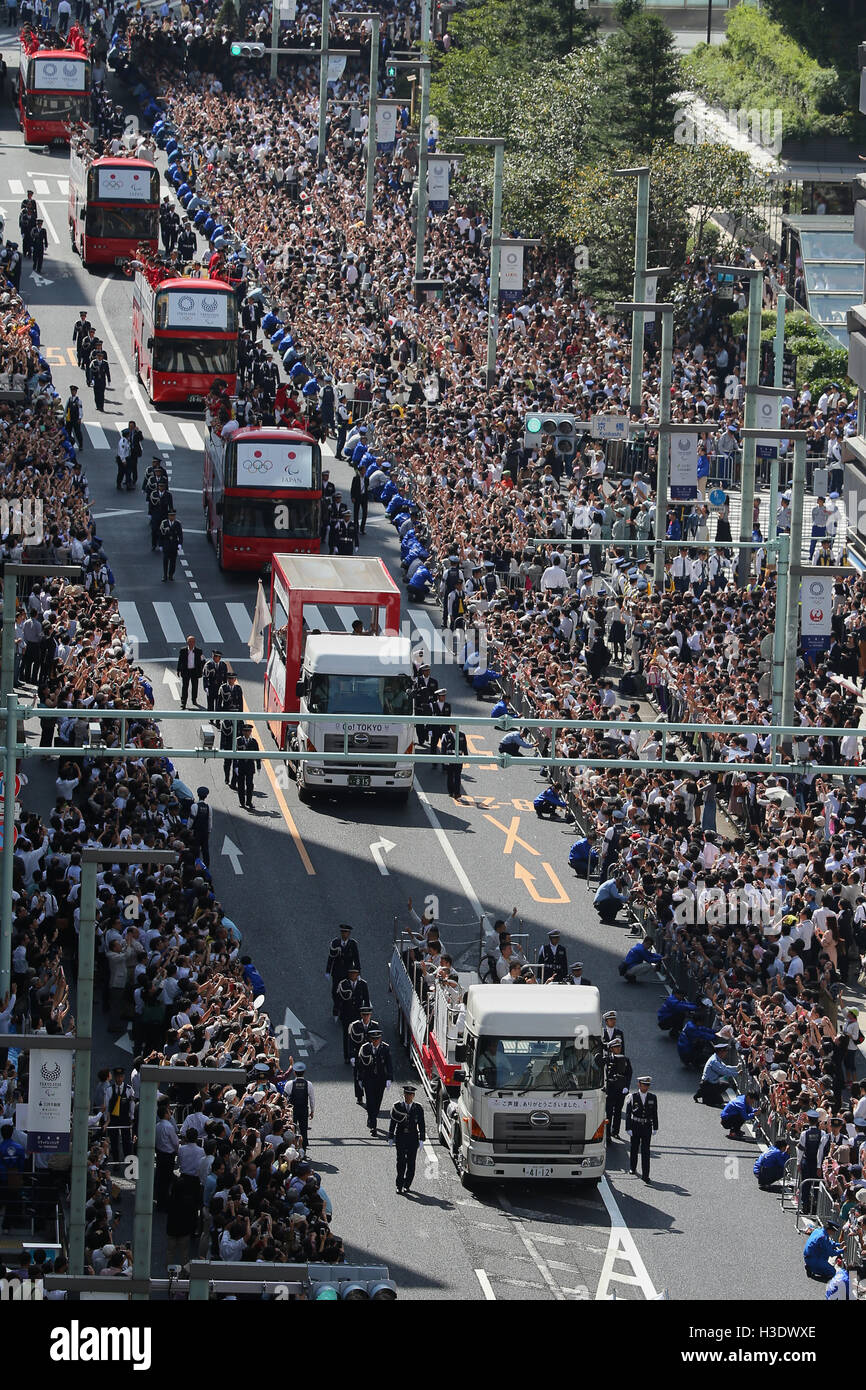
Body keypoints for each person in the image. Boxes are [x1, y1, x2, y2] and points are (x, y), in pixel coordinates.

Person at [388, 1083, 426, 1194]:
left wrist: (421, 1139)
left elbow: (422, 1124)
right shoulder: (398, 1106)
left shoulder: (418, 1108)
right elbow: (393, 1121)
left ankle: (407, 1184)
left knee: (411, 1163)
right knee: (400, 1162)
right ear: (404, 1095)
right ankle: (399, 1185)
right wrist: (391, 1136)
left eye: (411, 1095)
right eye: (407, 1094)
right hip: (401, 1137)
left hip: (412, 1138)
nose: (408, 1097)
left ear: (413, 1096)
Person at [356, 1027, 393, 1135]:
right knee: (370, 1102)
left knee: (377, 1103)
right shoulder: (365, 1048)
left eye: (378, 1039)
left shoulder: (385, 1048)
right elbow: (360, 1065)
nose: (376, 1041)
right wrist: (359, 1078)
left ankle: (371, 1117)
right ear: (371, 1039)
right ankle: (373, 1126)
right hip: (369, 1080)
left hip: (380, 1080)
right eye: (374, 1039)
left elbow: (389, 1064)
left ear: (380, 1038)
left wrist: (389, 1078)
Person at [625, 1075, 658, 1182]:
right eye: (644, 1085)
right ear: (639, 1085)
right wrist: (628, 1128)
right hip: (635, 1125)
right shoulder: (632, 1097)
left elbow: (654, 1113)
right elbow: (628, 1113)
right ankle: (632, 1168)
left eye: (647, 1085)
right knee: (634, 1148)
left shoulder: (653, 1097)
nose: (646, 1087)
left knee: (645, 1151)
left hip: (647, 1126)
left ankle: (645, 1175)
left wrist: (655, 1127)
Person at [797, 1110, 830, 1216]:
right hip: (817, 1164)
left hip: (806, 1162)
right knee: (817, 1185)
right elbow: (821, 1151)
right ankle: (816, 1207)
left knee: (805, 1184)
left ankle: (805, 1206)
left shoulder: (804, 1133)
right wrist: (819, 1166)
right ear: (817, 1121)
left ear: (808, 1120)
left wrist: (798, 1163)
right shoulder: (823, 1134)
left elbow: (801, 1149)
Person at [336, 966, 371, 1063]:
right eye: (351, 973)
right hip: (346, 1014)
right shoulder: (343, 984)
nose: (353, 975)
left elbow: (366, 1000)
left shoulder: (363, 984)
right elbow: (339, 1000)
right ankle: (347, 1056)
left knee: (359, 1035)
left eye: (355, 973)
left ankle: (358, 1055)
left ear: (358, 974)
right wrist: (338, 1012)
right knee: (346, 1035)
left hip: (358, 1015)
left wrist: (367, 1014)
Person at [325, 923, 360, 1017]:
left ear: (349, 934)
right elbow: (331, 958)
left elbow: (356, 959)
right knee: (335, 991)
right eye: (343, 932)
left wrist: (358, 972)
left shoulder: (353, 944)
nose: (344, 934)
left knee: (348, 991)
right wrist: (328, 971)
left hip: (348, 972)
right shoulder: (335, 943)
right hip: (337, 972)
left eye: (346, 932)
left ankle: (346, 1010)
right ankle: (336, 1009)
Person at [348, 1004, 379, 1104]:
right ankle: (359, 1096)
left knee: (371, 1076)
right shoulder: (355, 1026)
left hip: (371, 1057)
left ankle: (370, 1095)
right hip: (359, 1056)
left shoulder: (375, 1025)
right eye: (364, 1015)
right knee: (358, 1075)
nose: (366, 1017)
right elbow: (351, 1042)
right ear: (361, 1015)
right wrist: (352, 1055)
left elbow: (378, 1041)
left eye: (368, 1015)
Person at [217, 672, 243, 786]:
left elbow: (241, 704)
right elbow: (219, 704)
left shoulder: (238, 688)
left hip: (236, 716)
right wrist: (218, 718)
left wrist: (241, 717)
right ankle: (227, 777)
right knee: (227, 760)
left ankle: (233, 780)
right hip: (227, 717)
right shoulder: (223, 688)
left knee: (236, 760)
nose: (231, 680)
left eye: (233, 679)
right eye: (229, 679)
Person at [694, 1042, 740, 1106]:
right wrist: (737, 1074)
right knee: (718, 1102)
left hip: (713, 1083)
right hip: (708, 1084)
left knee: (725, 1085)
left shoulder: (717, 1058)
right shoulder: (714, 1061)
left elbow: (725, 1067)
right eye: (725, 1051)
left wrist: (736, 1068)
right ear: (721, 1052)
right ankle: (704, 1093)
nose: (726, 1053)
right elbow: (724, 1072)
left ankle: (707, 1094)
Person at [605, 1038, 632, 1140]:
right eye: (616, 1047)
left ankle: (615, 1131)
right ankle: (607, 1133)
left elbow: (629, 1074)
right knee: (608, 1112)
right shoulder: (608, 1059)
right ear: (611, 1049)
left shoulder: (625, 1059)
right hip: (610, 1090)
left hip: (620, 1090)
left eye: (619, 1047)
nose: (618, 1049)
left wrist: (626, 1087)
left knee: (618, 1111)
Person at [284, 1062, 314, 1152]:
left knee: (291, 1128)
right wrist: (312, 1111)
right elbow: (312, 1099)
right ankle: (303, 1149)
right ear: (304, 1072)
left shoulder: (290, 1084)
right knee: (303, 1129)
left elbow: (284, 1097)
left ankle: (292, 1148)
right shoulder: (308, 1084)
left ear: (294, 1072)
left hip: (292, 1110)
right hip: (304, 1109)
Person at [803, 1218, 844, 1282]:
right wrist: (842, 1251)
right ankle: (812, 1269)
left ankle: (812, 1267)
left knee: (825, 1256)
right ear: (830, 1230)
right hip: (813, 1258)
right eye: (834, 1231)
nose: (833, 1233)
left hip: (811, 1256)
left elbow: (829, 1243)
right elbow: (830, 1252)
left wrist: (839, 1244)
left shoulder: (819, 1231)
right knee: (832, 1272)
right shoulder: (822, 1237)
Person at [234, 722, 260, 810]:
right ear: (242, 732)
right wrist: (235, 766)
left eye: (248, 731)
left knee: (249, 785)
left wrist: (258, 765)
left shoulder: (253, 742)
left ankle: (249, 801)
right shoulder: (238, 741)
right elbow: (234, 755)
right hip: (241, 766)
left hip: (249, 766)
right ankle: (242, 802)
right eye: (245, 731)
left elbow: (257, 754)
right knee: (241, 785)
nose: (247, 733)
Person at [176, 635, 203, 709]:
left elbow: (202, 661)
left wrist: (202, 670)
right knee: (185, 687)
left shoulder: (198, 651)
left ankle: (194, 700)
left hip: (195, 671)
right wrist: (178, 670)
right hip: (186, 671)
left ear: (194, 642)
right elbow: (180, 660)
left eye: (193, 641)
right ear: (187, 642)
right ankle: (183, 702)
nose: (191, 643)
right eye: (189, 641)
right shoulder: (183, 650)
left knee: (195, 686)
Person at [440, 725, 467, 795]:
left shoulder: (462, 735)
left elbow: (465, 747)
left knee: (458, 776)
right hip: (450, 757)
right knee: (450, 775)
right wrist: (444, 759)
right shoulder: (446, 735)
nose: (455, 727)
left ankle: (457, 792)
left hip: (459, 758)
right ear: (450, 726)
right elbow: (443, 748)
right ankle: (451, 791)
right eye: (453, 726)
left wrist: (466, 757)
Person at [189, 787, 212, 866]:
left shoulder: (194, 806)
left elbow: (191, 820)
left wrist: (188, 828)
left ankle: (196, 866)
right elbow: (210, 820)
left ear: (198, 795)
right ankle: (206, 868)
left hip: (196, 832)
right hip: (205, 832)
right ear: (206, 796)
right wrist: (209, 832)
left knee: (196, 850)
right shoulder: (209, 807)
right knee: (205, 850)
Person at [160, 509, 183, 582]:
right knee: (165, 560)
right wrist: (160, 545)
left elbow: (180, 535)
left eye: (173, 515)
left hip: (174, 544)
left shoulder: (177, 523)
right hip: (166, 544)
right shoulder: (164, 523)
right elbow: (161, 535)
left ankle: (171, 575)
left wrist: (180, 544)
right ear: (168, 516)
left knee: (173, 561)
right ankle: (165, 575)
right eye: (170, 515)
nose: (172, 517)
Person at [64, 384, 83, 450]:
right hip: (69, 419)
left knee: (77, 432)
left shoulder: (78, 401)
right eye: (72, 391)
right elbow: (66, 408)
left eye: (74, 391)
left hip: (75, 419)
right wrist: (64, 416)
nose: (72, 392)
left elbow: (80, 410)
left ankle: (80, 444)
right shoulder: (69, 399)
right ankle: (70, 443)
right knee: (68, 432)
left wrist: (80, 418)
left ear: (76, 392)